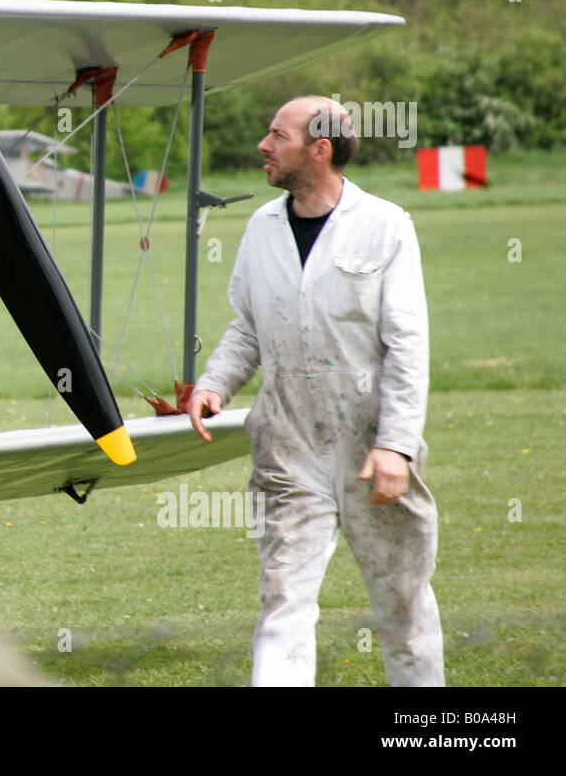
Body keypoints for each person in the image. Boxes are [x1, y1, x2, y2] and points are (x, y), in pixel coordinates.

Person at [187, 95, 443, 687]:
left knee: (403, 607)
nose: (263, 145)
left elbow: (408, 344)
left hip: (370, 449)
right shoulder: (261, 227)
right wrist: (215, 383)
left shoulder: (386, 226)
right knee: (283, 603)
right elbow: (248, 325)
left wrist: (397, 446)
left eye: (278, 135)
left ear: (319, 149)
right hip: (286, 448)